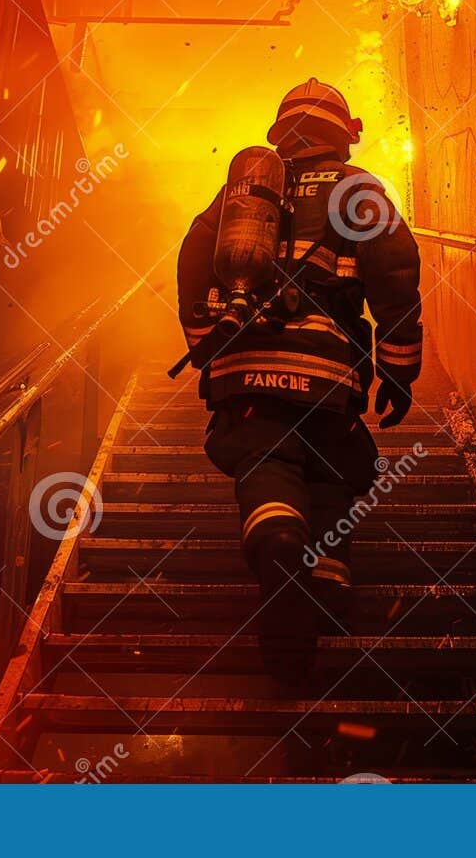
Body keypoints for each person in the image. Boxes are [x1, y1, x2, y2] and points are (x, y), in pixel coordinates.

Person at [175, 78, 424, 682]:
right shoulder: (357, 189)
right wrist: (398, 370)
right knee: (332, 468)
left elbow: (192, 258)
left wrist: (204, 342)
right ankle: (327, 587)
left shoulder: (244, 194)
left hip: (246, 368)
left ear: (281, 135)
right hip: (326, 376)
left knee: (267, 462)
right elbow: (395, 276)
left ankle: (280, 541)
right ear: (343, 135)